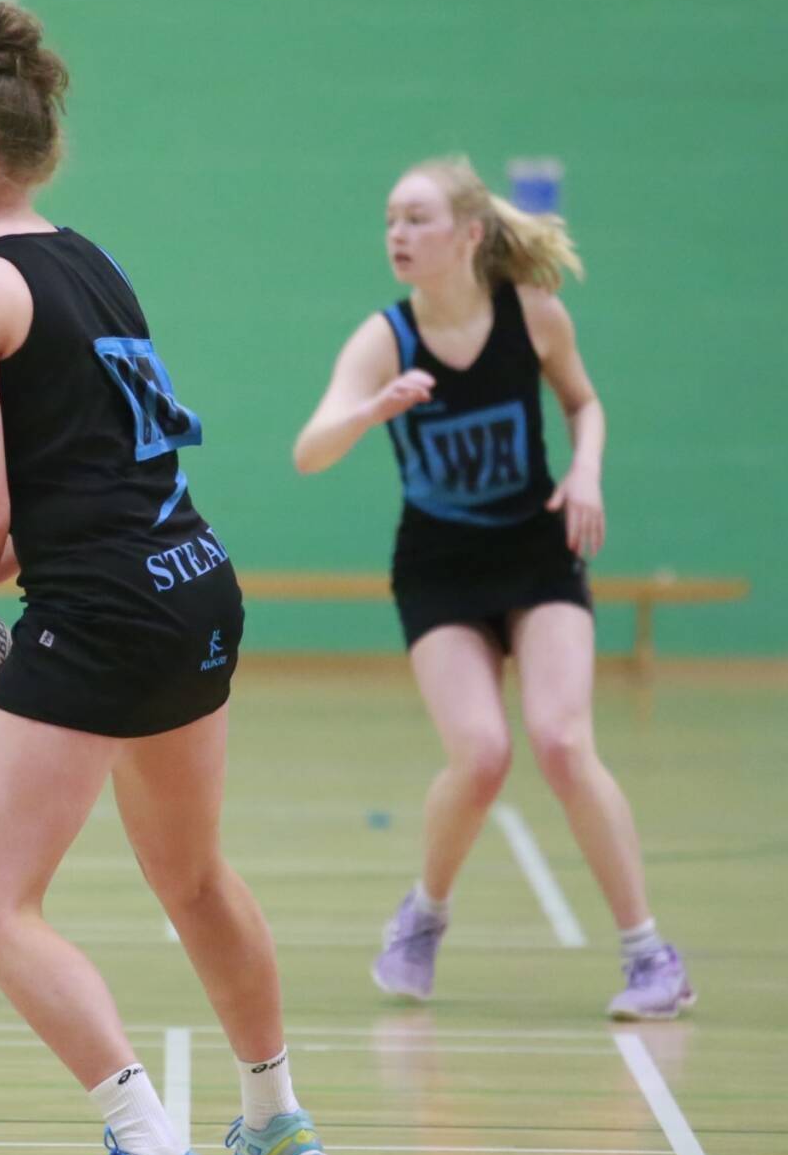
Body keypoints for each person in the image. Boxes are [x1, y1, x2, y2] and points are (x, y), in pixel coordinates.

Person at [0, 1, 331, 1155]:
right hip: (193, 578)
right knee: (189, 874)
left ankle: (147, 1148)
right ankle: (274, 1118)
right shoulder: (88, 257)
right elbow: (84, 465)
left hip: (103, 608)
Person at [290, 156, 693, 1020]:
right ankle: (422, 918)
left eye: (418, 217)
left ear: (469, 234)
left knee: (559, 740)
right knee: (480, 754)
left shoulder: (534, 315)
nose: (398, 233)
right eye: (391, 218)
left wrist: (586, 471)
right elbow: (309, 449)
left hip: (537, 552)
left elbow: (585, 404)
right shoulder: (385, 338)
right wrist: (369, 413)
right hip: (438, 565)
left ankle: (652, 956)